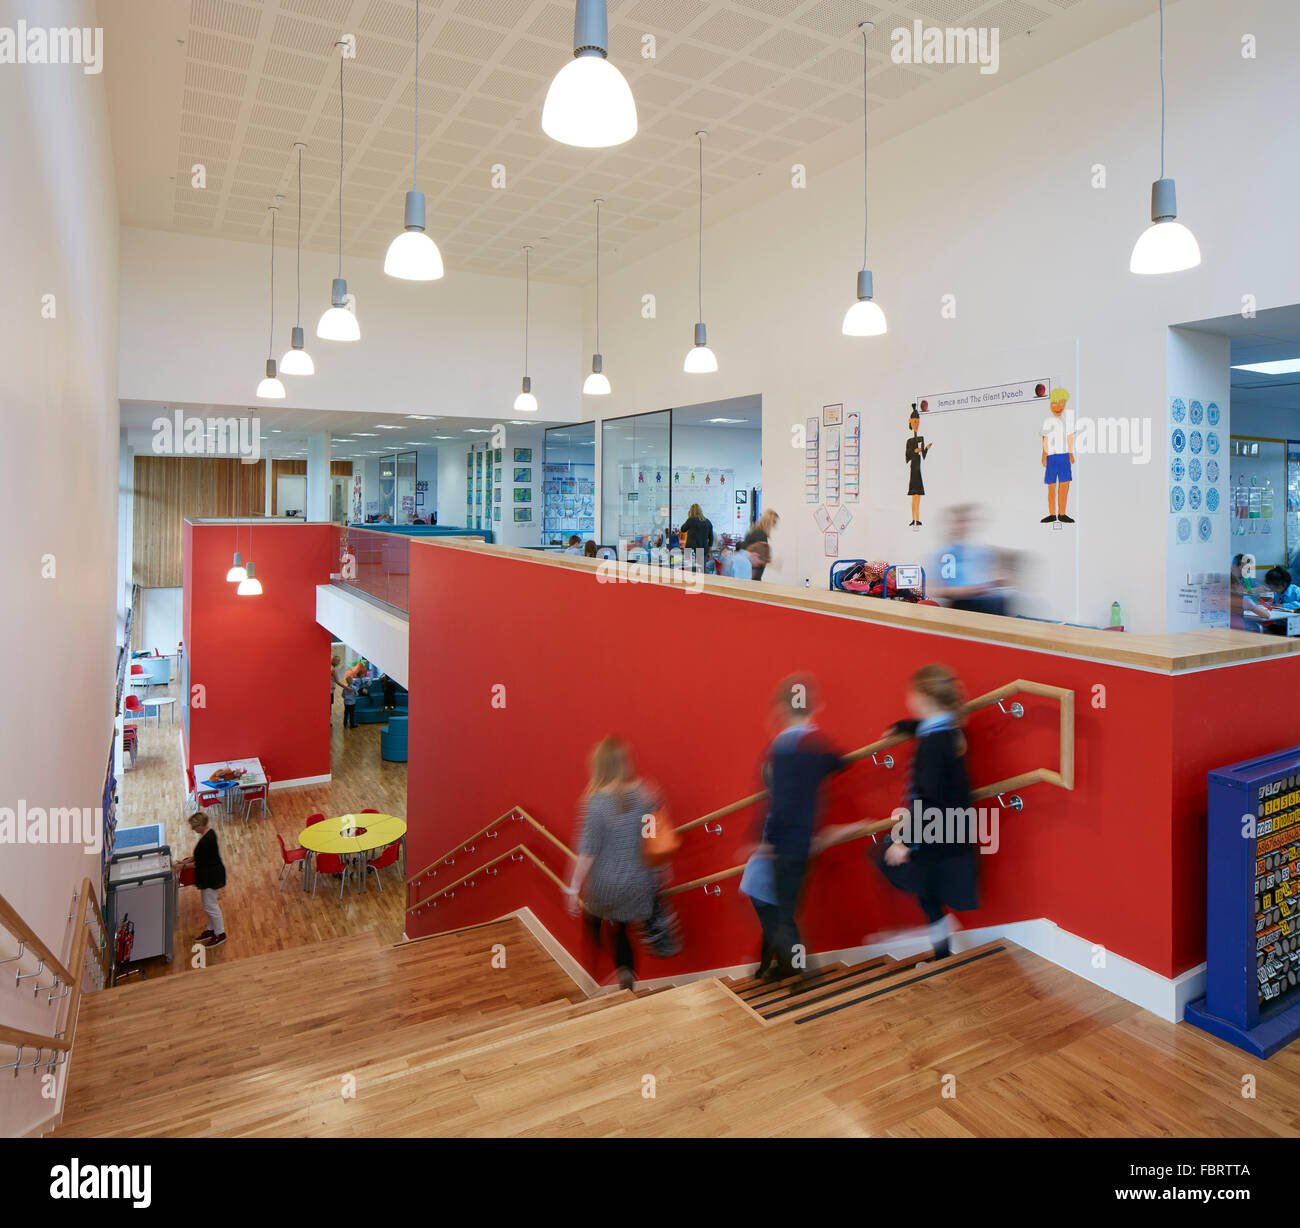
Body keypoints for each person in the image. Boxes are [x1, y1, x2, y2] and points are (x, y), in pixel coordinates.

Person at [869, 665, 978, 960]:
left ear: (924, 699)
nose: (908, 700)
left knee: (885, 858)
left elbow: (929, 799)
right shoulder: (948, 730)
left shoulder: (932, 745)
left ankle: (917, 933)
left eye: (911, 695)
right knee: (927, 893)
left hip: (933, 827)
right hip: (950, 827)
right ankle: (941, 951)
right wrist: (903, 726)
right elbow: (924, 726)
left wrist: (905, 842)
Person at [747, 675, 848, 982]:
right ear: (815, 707)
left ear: (781, 710)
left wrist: (764, 840)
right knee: (786, 911)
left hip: (784, 844)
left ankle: (805, 972)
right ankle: (786, 967)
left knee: (782, 915)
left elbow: (778, 804)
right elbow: (838, 762)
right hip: (805, 843)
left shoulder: (782, 750)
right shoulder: (817, 746)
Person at [564, 738, 661, 990]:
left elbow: (587, 852)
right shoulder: (646, 793)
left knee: (593, 919)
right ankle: (625, 974)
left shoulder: (596, 802)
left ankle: (594, 972)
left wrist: (573, 888)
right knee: (622, 930)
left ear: (598, 765)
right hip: (638, 882)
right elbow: (652, 837)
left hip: (605, 885)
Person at [929, 504, 1012, 615]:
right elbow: (937, 590)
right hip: (964, 604)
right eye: (960, 521)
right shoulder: (944, 554)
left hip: (988, 601)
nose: (965, 525)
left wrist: (996, 583)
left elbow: (990, 579)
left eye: (967, 521)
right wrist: (976, 589)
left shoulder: (982, 551)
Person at [176, 812, 227, 948]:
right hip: (209, 875)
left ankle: (220, 934)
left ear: (200, 825)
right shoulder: (209, 834)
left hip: (211, 876)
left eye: (194, 827)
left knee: (211, 905)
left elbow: (199, 863)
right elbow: (198, 856)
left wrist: (182, 866)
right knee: (208, 904)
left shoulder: (207, 840)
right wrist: (184, 862)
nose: (193, 829)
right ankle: (211, 930)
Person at [1041, 387, 1075, 524]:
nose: (1058, 407)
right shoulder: (1047, 422)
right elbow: (1045, 438)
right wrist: (1044, 454)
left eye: (1061, 403)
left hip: (1064, 456)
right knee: (1051, 485)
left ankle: (1062, 513)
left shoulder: (1067, 422)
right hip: (1051, 456)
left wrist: (1070, 453)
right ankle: (1052, 513)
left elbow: (1070, 438)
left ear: (1065, 403)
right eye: (1054, 403)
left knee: (1064, 484)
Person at [905, 405, 931, 527]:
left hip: (918, 469)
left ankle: (917, 519)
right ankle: (913, 519)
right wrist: (914, 451)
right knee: (913, 497)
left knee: (918, 497)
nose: (916, 424)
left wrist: (926, 448)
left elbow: (923, 455)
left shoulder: (921, 438)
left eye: (918, 422)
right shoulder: (909, 441)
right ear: (910, 421)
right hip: (913, 470)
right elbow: (907, 456)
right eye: (914, 421)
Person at [741, 509, 779, 581]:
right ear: (768, 521)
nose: (774, 525)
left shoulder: (754, 530)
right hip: (753, 576)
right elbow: (760, 557)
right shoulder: (760, 534)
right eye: (774, 521)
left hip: (749, 573)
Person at [679, 502, 713, 570]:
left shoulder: (691, 520)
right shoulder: (707, 522)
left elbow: (683, 529)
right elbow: (711, 539)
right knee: (700, 570)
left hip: (690, 550)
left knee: (689, 569)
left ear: (691, 511)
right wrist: (709, 551)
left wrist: (689, 518)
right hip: (703, 550)